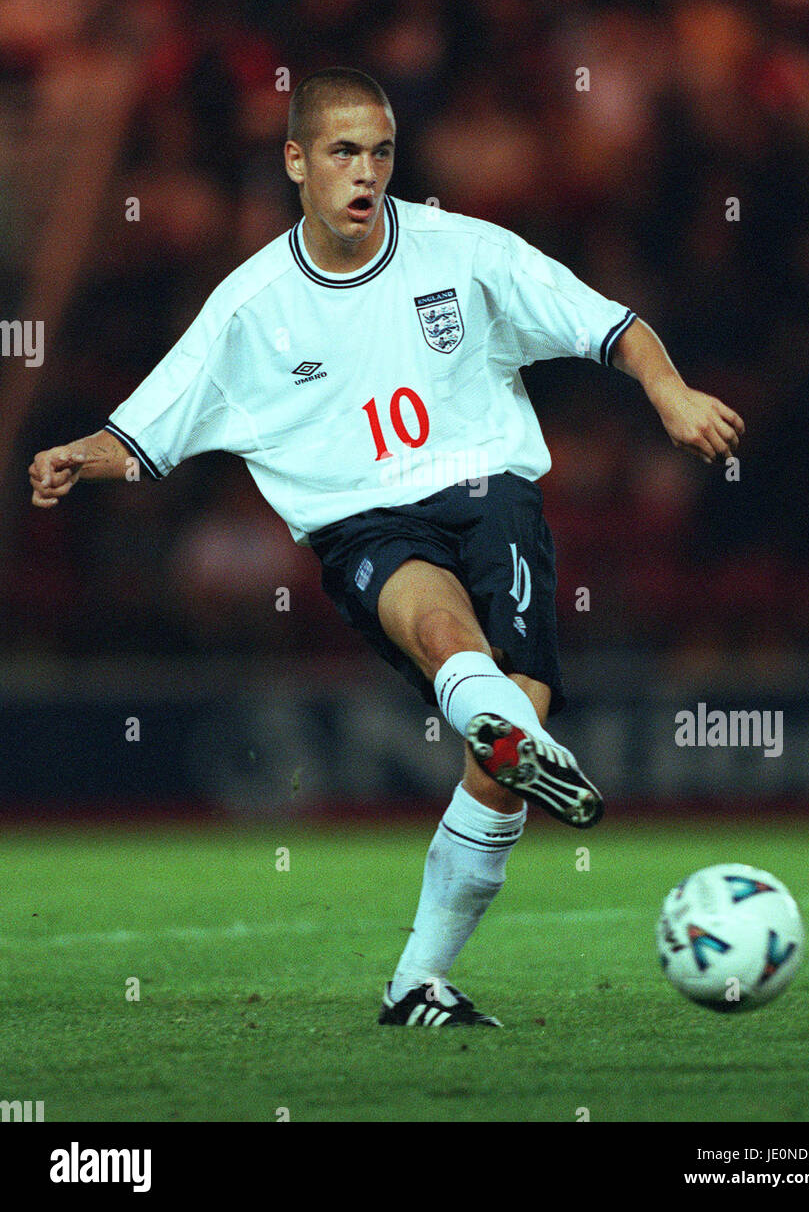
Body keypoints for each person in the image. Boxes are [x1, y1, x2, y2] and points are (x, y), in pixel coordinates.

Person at [29, 68, 744, 1027]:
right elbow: (148, 433)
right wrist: (80, 453)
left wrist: (669, 392)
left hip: (491, 497)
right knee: (445, 633)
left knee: (495, 762)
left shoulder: (464, 250)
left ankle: (419, 976)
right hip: (361, 522)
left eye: (380, 152)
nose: (365, 173)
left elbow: (611, 325)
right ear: (295, 161)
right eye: (341, 152)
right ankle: (506, 738)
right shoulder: (249, 308)